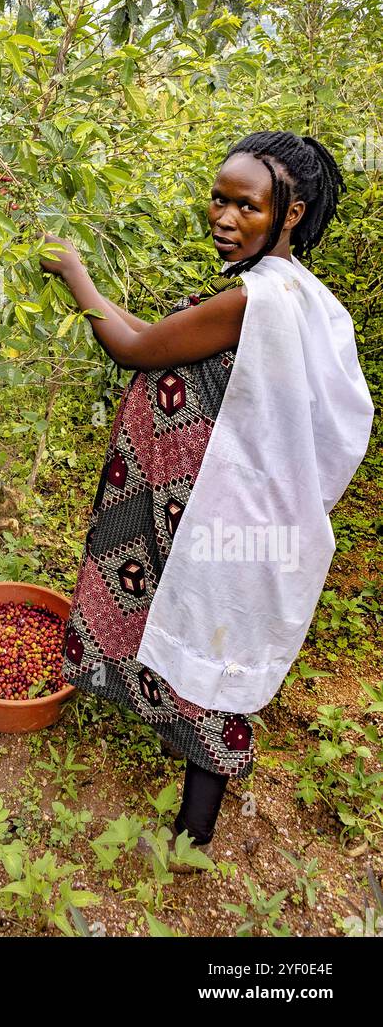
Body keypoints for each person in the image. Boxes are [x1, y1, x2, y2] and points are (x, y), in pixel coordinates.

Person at [41, 132, 373, 865]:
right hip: (202, 503)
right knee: (192, 628)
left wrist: (75, 275)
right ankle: (190, 811)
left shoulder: (254, 301)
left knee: (210, 641)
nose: (224, 217)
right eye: (219, 199)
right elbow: (154, 337)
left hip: (206, 511)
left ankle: (192, 835)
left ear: (291, 214)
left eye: (246, 206)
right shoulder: (302, 299)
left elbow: (128, 347)